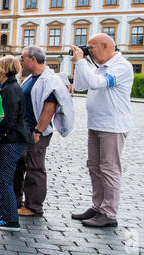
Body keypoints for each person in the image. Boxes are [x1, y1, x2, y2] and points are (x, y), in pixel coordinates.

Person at [68, 34, 133, 228]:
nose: (89, 51)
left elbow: (96, 84)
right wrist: (82, 63)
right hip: (96, 124)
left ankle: (109, 213)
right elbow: (80, 86)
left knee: (109, 169)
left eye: (91, 48)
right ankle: (98, 207)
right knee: (94, 167)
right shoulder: (99, 67)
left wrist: (81, 61)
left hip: (113, 126)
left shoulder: (122, 66)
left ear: (104, 46)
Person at [14, 46, 74, 217]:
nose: (21, 61)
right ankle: (15, 200)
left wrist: (38, 130)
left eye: (23, 58)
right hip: (25, 130)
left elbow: (49, 108)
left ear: (33, 59)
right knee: (18, 166)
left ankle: (33, 206)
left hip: (36, 132)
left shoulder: (49, 80)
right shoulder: (30, 78)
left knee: (34, 168)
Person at [0, 55, 30, 231]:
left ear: (2, 70)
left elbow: (8, 119)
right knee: (5, 178)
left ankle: (11, 219)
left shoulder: (9, 89)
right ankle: (4, 213)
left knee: (4, 179)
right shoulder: (9, 86)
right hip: (14, 138)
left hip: (11, 140)